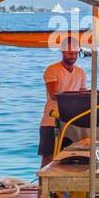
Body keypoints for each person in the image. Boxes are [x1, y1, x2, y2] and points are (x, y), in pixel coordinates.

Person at [38, 38, 87, 168]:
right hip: (52, 119)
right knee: (48, 156)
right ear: (63, 51)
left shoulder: (80, 72)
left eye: (76, 53)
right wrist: (75, 96)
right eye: (70, 53)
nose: (73, 57)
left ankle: (63, 188)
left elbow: (83, 95)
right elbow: (54, 94)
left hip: (73, 121)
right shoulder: (52, 70)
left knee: (70, 157)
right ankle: (42, 187)